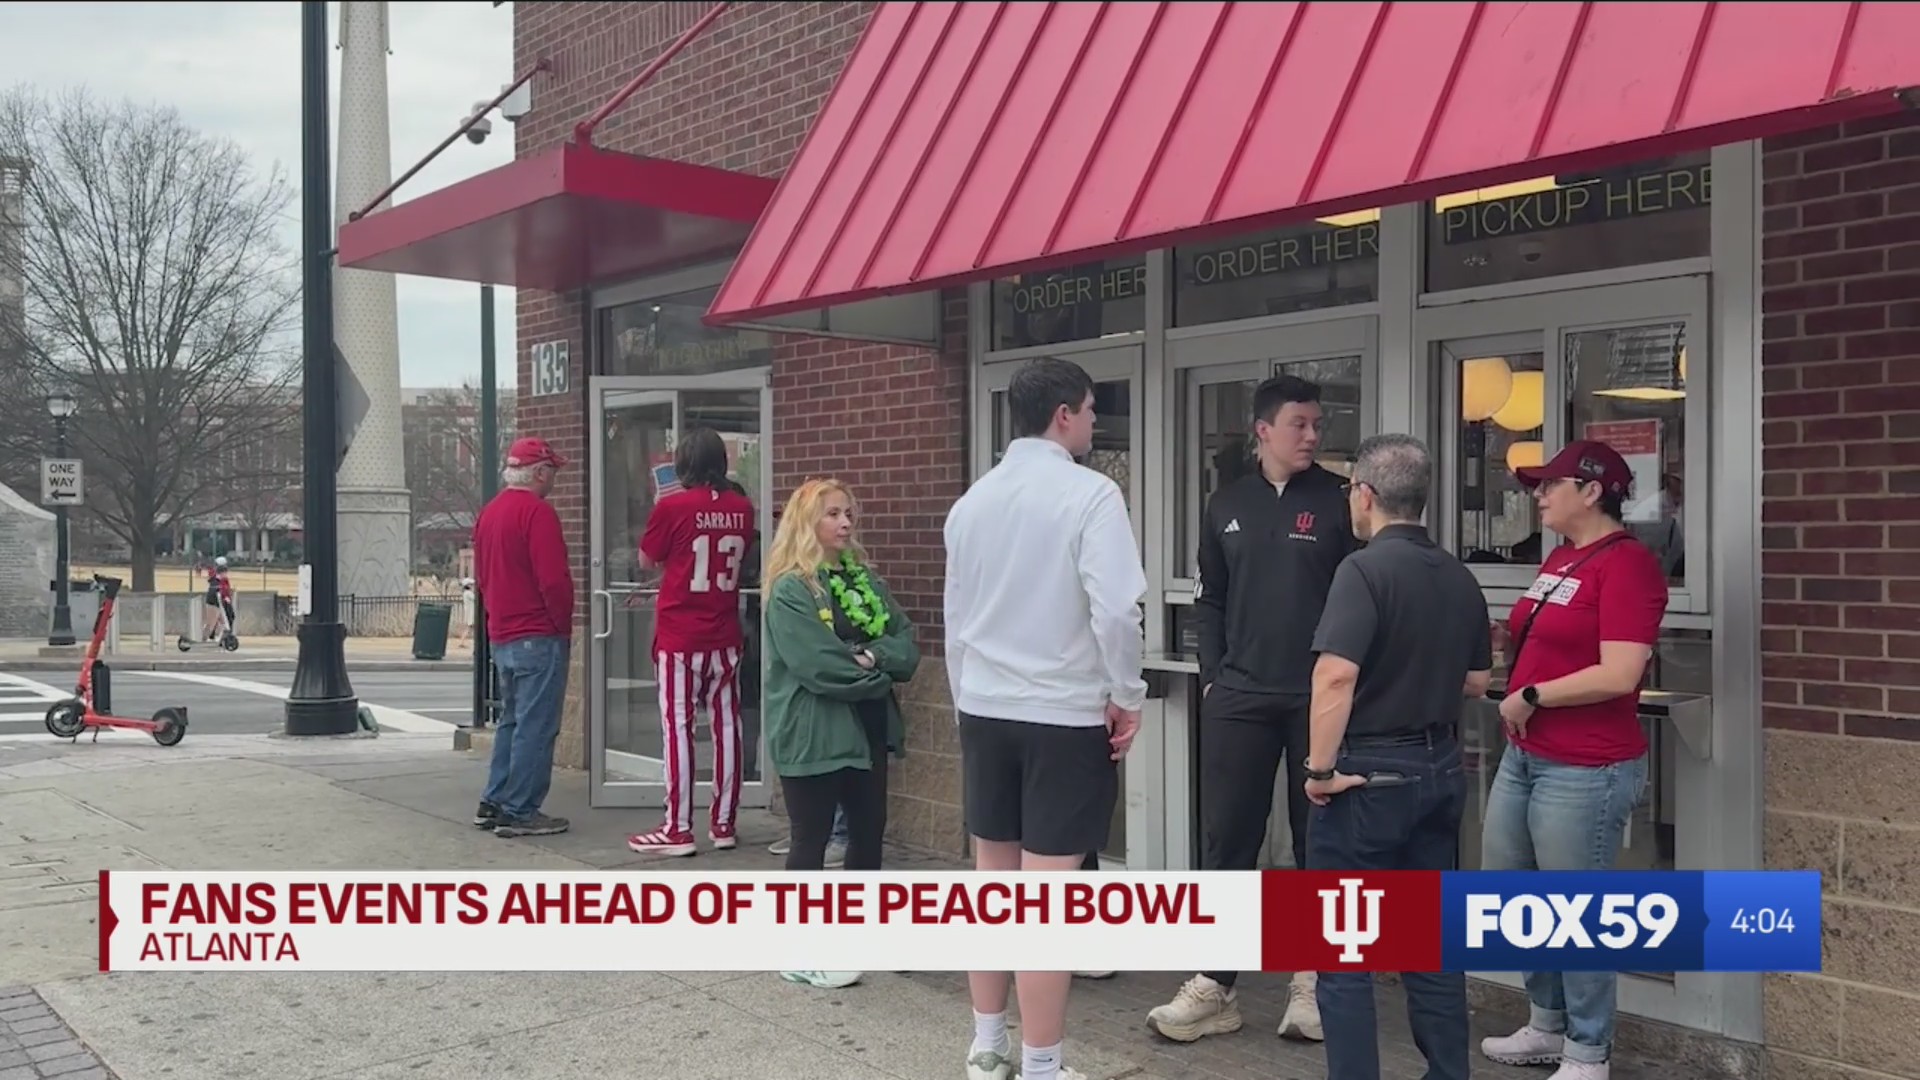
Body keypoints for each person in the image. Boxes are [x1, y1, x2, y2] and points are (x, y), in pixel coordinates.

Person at [945, 356, 1147, 1080]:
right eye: (1092, 410)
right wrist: (1128, 692)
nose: (1095, 423)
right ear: (1064, 413)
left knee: (992, 883)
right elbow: (1118, 608)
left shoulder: (971, 503)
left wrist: (967, 698)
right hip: (1063, 713)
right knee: (1048, 895)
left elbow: (955, 621)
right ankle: (1042, 1064)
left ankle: (985, 1042)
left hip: (987, 708)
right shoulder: (1093, 496)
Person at [1148, 373, 1356, 1045]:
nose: (1313, 435)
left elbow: (1361, 598)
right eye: (1300, 424)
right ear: (1262, 430)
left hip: (1314, 701)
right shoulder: (1226, 503)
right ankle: (1216, 986)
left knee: (1315, 843)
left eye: (1317, 425)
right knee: (1228, 842)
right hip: (1238, 696)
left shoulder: (1340, 501)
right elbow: (1210, 597)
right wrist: (1213, 678)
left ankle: (1312, 983)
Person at [1297, 433, 1492, 1080]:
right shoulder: (1457, 574)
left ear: (1367, 494)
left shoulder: (1364, 570)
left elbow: (1334, 678)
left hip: (1367, 778)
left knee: (1345, 952)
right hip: (1439, 770)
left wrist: (1319, 771)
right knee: (1431, 945)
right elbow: (1476, 683)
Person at [1479, 440, 1668, 1080]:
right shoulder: (1560, 558)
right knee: (1511, 895)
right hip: (1526, 753)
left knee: (1575, 911)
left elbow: (1620, 671)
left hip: (1585, 765)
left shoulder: (1629, 565)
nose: (1538, 495)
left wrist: (1532, 694)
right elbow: (1542, 636)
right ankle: (1546, 1023)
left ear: (1592, 491)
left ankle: (1590, 1051)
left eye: (1549, 485)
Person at [763, 477, 919, 986]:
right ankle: (800, 951)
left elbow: (907, 644)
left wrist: (871, 656)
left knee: (868, 834)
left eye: (848, 513)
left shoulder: (864, 583)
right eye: (832, 514)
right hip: (813, 731)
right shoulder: (791, 589)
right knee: (810, 840)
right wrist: (875, 675)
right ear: (807, 523)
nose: (845, 523)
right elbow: (820, 667)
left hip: (867, 728)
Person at [628, 429, 758, 857]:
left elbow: (647, 559)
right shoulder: (743, 508)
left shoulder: (674, 506)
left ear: (684, 465)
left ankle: (678, 828)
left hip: (681, 633)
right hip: (725, 631)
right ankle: (724, 822)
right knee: (727, 727)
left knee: (678, 728)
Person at [470, 436, 576, 839]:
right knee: (537, 725)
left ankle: (494, 799)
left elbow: (482, 577)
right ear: (539, 472)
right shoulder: (538, 514)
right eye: (552, 472)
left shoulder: (489, 514)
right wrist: (561, 626)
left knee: (511, 721)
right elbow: (553, 580)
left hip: (503, 634)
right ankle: (520, 809)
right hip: (538, 633)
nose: (554, 480)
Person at [202, 557, 235, 641]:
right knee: (216, 619)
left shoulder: (221, 579)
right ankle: (211, 636)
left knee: (228, 617)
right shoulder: (215, 579)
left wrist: (227, 596)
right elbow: (218, 589)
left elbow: (225, 588)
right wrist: (225, 596)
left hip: (221, 600)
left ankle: (225, 635)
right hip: (217, 600)